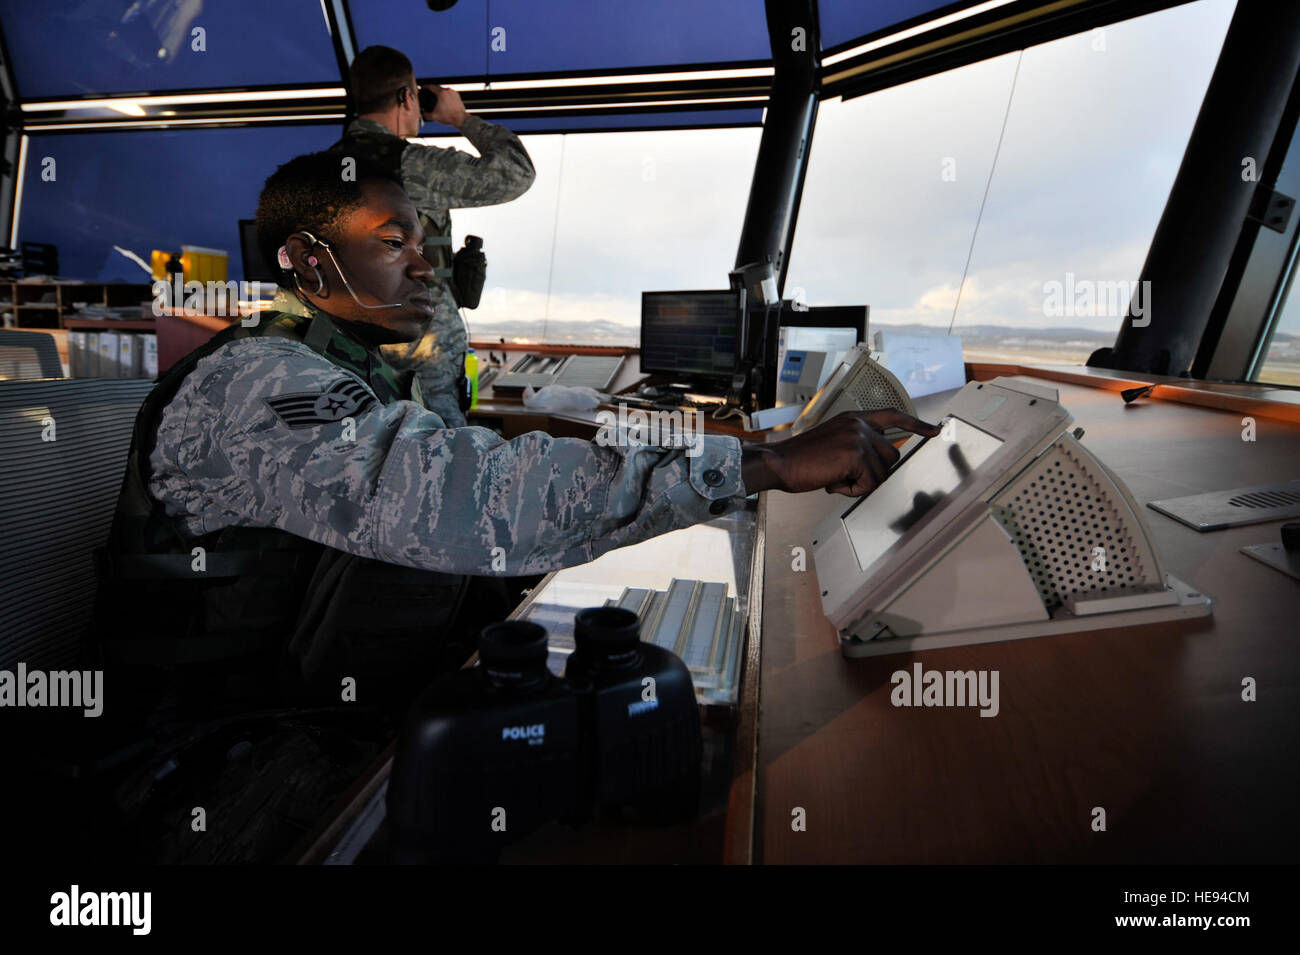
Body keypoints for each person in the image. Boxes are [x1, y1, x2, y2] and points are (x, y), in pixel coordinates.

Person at [84, 151, 935, 862]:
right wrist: (769, 464)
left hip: (314, 698)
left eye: (423, 242)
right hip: (219, 755)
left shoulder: (343, 364)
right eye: (394, 241)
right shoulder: (260, 382)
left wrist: (749, 456)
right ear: (309, 263)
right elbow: (457, 491)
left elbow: (453, 458)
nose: (425, 263)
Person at [332, 44, 537, 428]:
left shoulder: (322, 168)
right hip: (421, 354)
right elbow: (515, 173)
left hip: (356, 351)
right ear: (407, 97)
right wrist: (461, 117)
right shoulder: (407, 164)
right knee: (441, 457)